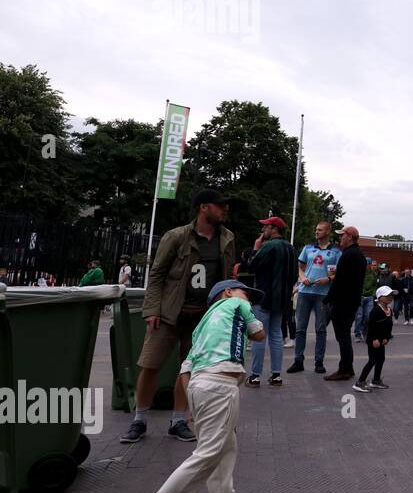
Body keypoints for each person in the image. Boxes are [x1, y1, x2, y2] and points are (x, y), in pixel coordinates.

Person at [125, 279, 263, 493]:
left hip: (199, 386)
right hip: (221, 384)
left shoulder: (202, 327)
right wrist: (250, 320)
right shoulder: (235, 303)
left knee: (227, 442)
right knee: (208, 452)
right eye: (246, 293)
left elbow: (185, 370)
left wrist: (192, 406)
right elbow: (259, 334)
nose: (249, 299)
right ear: (228, 292)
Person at [121, 189, 235, 444]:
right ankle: (139, 419)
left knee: (190, 369)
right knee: (150, 365)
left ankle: (178, 420)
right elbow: (158, 274)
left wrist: (224, 312)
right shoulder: (177, 236)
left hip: (203, 318)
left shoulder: (227, 238)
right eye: (220, 205)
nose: (225, 209)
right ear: (204, 207)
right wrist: (152, 310)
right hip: (170, 314)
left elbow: (226, 279)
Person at [242, 215, 296, 387]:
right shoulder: (291, 248)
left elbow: (251, 266)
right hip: (282, 299)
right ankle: (276, 375)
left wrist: (256, 249)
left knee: (259, 335)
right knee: (276, 335)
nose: (262, 230)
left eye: (266, 227)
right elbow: (295, 275)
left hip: (264, 296)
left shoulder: (269, 245)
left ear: (274, 229)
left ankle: (255, 376)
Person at [288, 221, 339, 374]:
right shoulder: (308, 248)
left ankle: (319, 361)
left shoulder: (335, 252)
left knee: (321, 329)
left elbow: (339, 272)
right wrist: (302, 277)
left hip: (323, 294)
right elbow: (300, 267)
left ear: (328, 231)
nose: (317, 232)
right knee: (300, 328)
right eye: (316, 229)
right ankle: (298, 360)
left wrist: (328, 279)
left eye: (320, 230)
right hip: (305, 292)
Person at [324, 226, 367, 382]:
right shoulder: (359, 255)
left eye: (342, 236)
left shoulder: (348, 255)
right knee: (345, 336)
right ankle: (348, 368)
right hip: (352, 301)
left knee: (342, 337)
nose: (340, 238)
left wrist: (327, 299)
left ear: (349, 237)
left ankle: (344, 370)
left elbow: (340, 281)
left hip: (343, 302)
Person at [354, 285, 396, 392]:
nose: (390, 297)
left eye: (391, 295)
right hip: (374, 340)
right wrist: (374, 339)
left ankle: (376, 380)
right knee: (372, 360)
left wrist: (387, 337)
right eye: (387, 295)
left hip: (382, 340)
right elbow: (371, 327)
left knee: (381, 359)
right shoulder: (375, 311)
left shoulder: (389, 310)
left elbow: (388, 326)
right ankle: (360, 382)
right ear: (380, 297)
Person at [355, 260, 379, 342]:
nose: (369, 266)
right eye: (368, 264)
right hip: (360, 297)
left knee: (368, 316)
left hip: (369, 298)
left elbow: (375, 285)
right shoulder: (359, 273)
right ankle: (357, 334)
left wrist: (373, 293)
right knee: (359, 316)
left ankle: (365, 333)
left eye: (370, 264)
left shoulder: (374, 274)